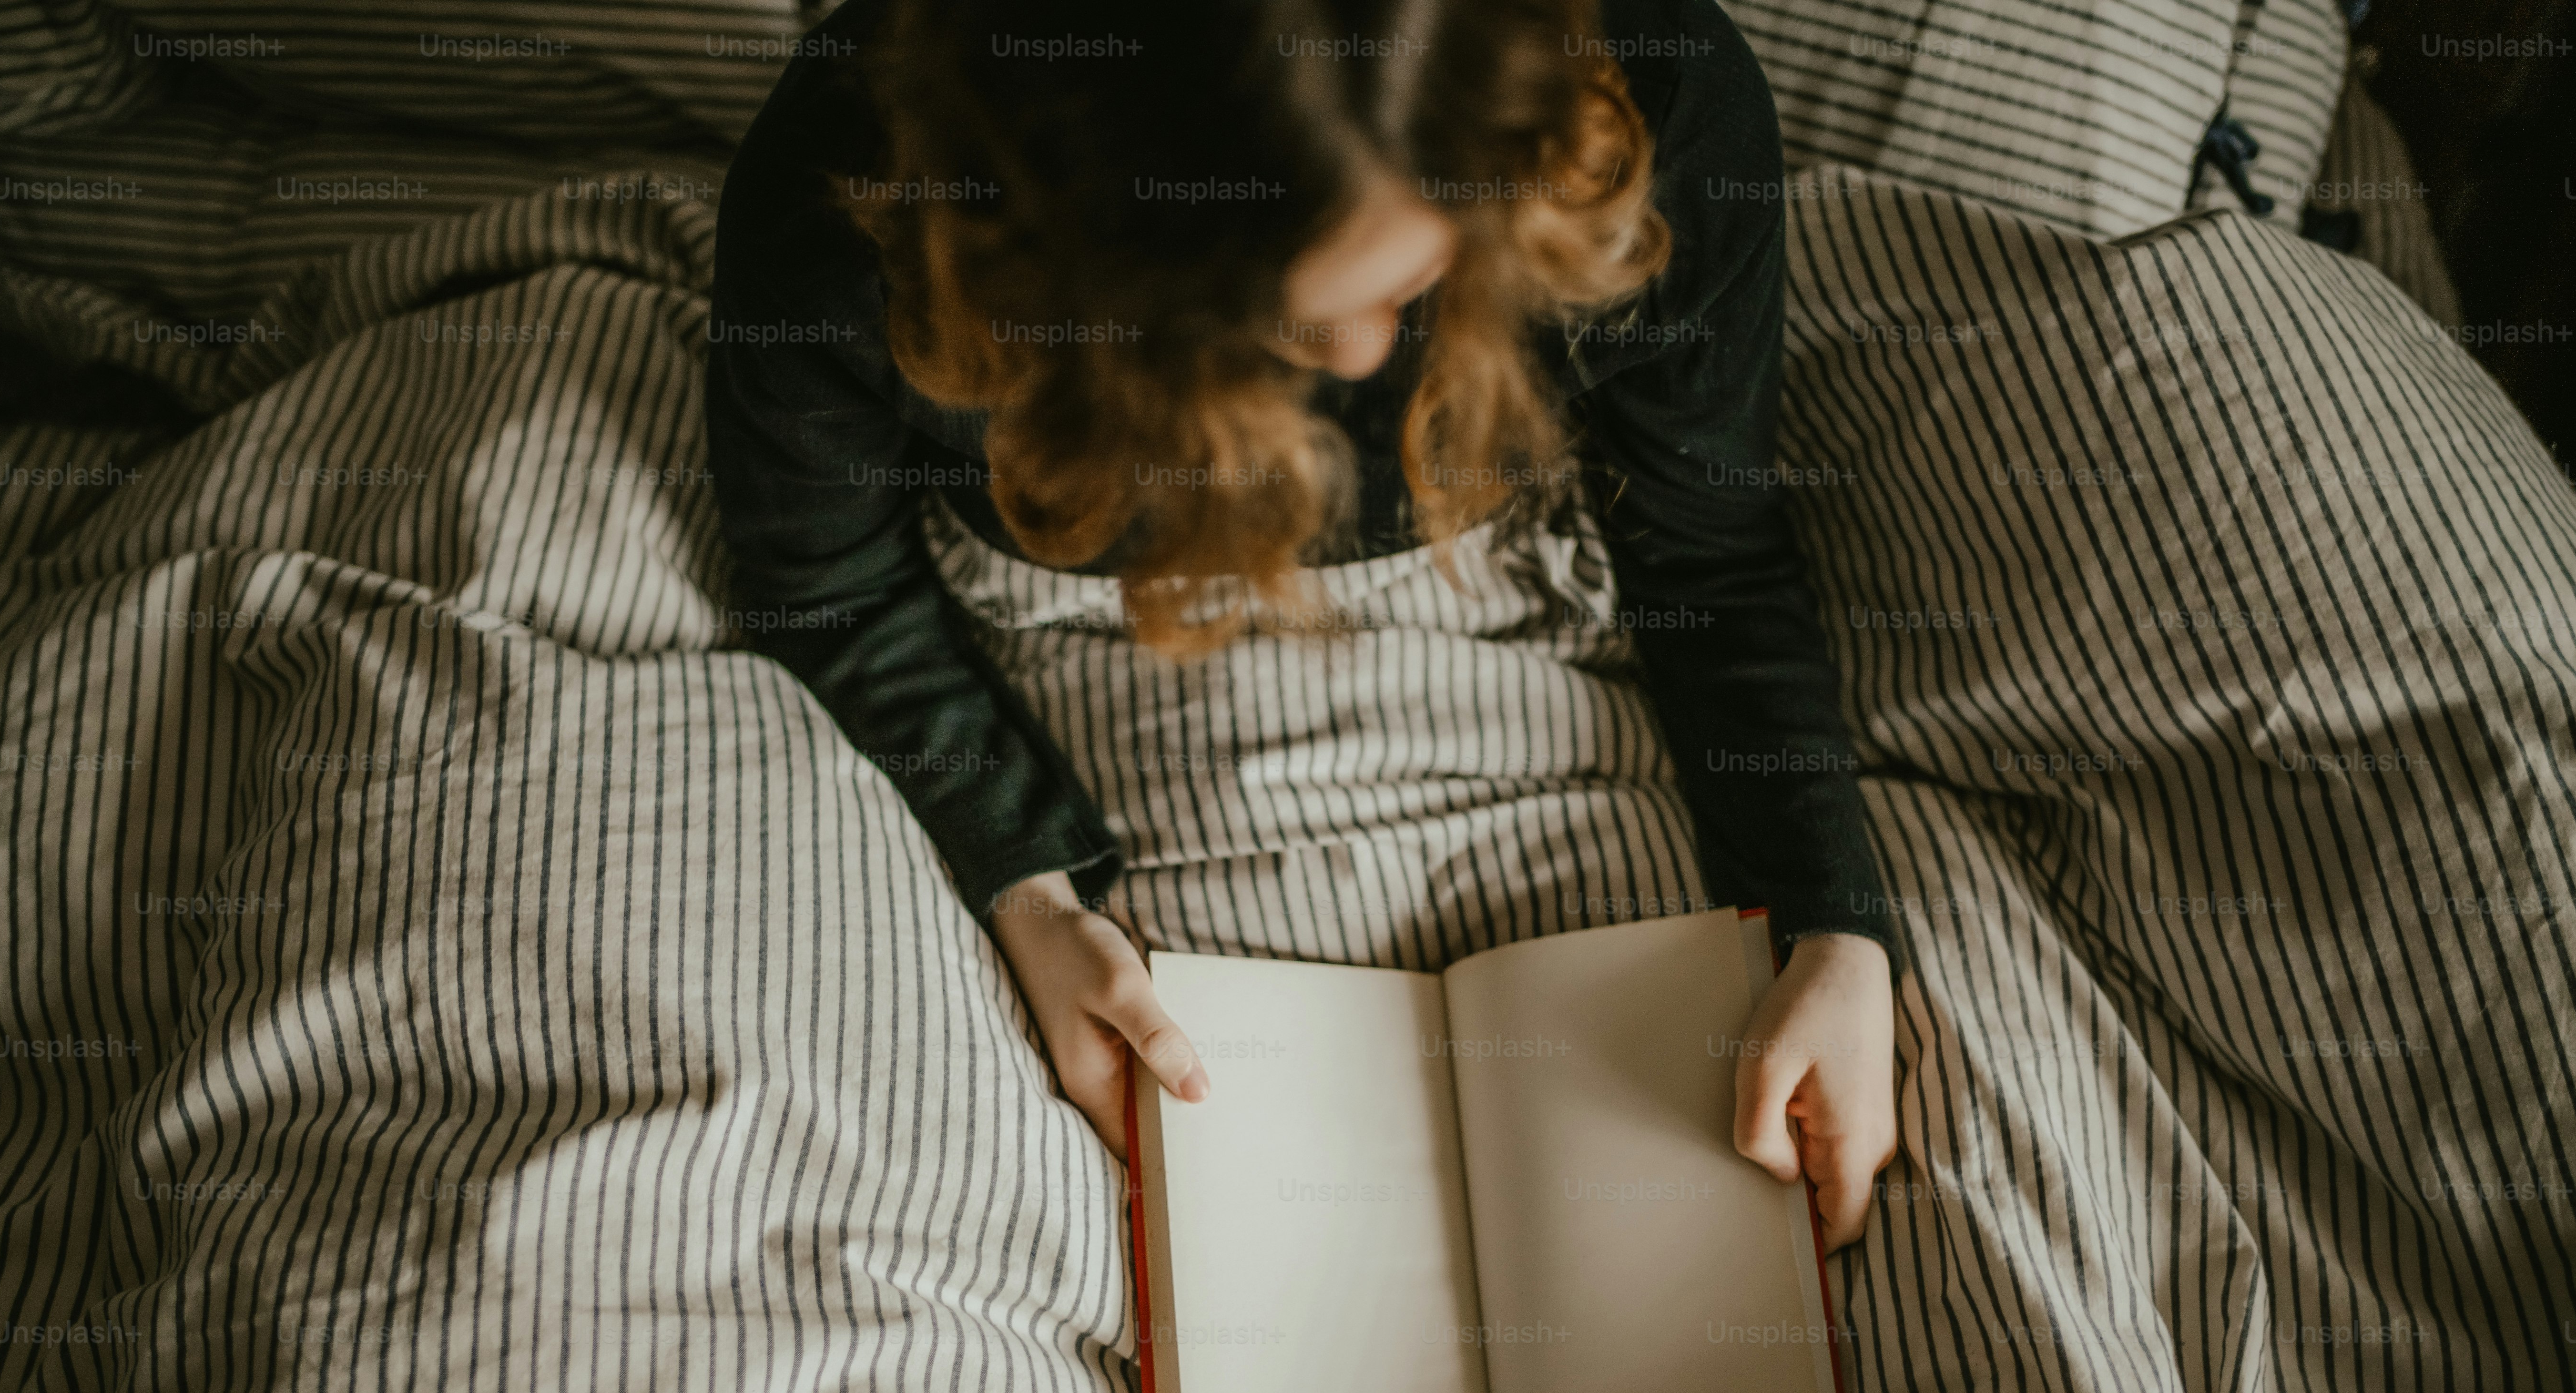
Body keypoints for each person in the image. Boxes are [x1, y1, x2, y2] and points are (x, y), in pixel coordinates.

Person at [706, 0, 1902, 1243]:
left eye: (1416, 274)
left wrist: (1834, 923)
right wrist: (1034, 897)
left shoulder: (1659, 105)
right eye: (1279, 314)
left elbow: (1707, 548)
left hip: (1524, 614)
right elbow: (826, 582)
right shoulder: (859, 200)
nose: (1359, 358)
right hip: (1063, 650)